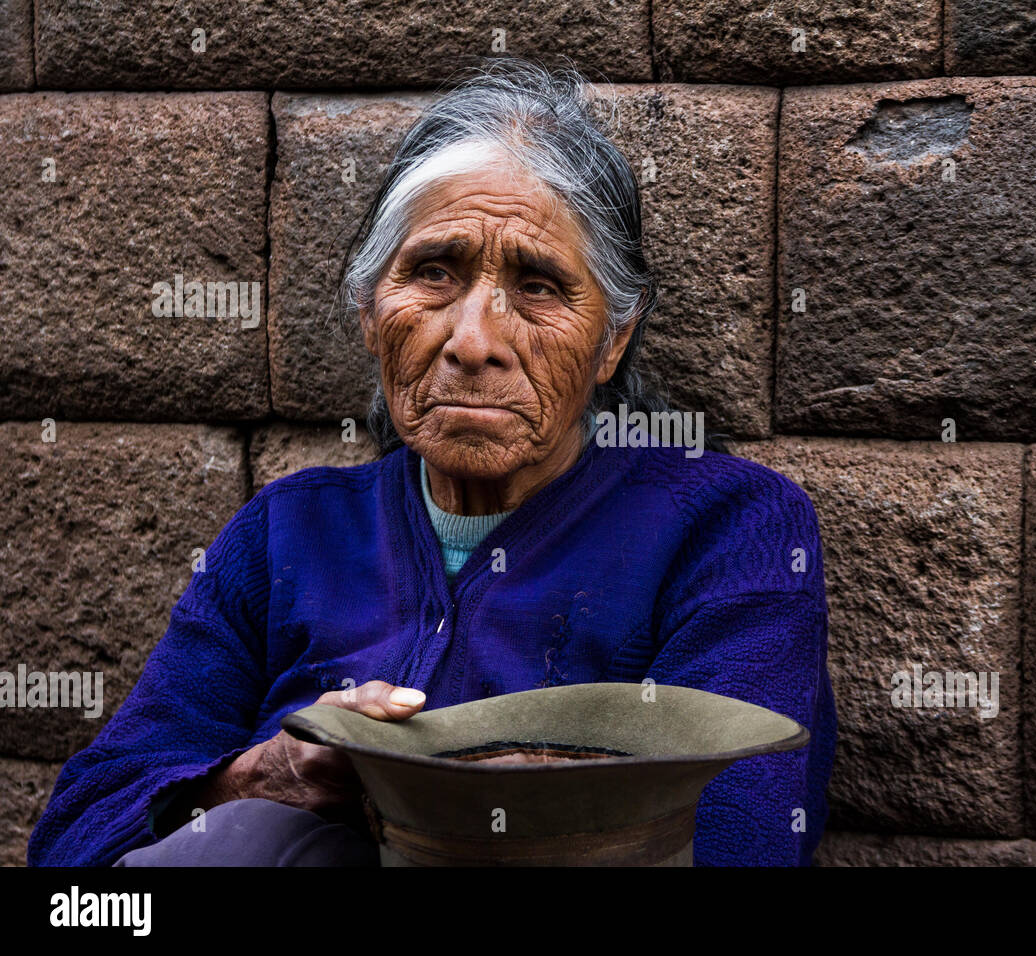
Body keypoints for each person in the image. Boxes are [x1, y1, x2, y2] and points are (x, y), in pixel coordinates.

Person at [28, 57, 836, 867]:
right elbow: (74, 845)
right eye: (434, 273)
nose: (473, 341)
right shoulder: (286, 535)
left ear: (612, 340)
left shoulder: (731, 532)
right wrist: (253, 781)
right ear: (371, 313)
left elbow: (743, 841)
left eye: (540, 286)